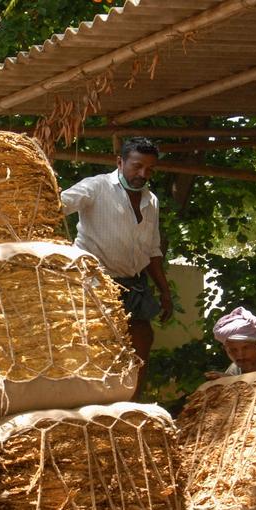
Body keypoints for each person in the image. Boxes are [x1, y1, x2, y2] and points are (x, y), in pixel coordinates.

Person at [60, 137, 172, 399]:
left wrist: (164, 292)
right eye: (137, 166)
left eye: (149, 169)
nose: (143, 174)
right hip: (96, 284)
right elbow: (57, 206)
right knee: (100, 346)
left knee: (142, 340)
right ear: (119, 162)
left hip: (134, 284)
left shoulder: (151, 200)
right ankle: (91, 404)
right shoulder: (96, 186)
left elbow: (153, 251)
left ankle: (132, 405)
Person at [205, 307, 256, 378]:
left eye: (246, 348)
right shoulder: (234, 370)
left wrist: (233, 381)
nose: (240, 355)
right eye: (233, 350)